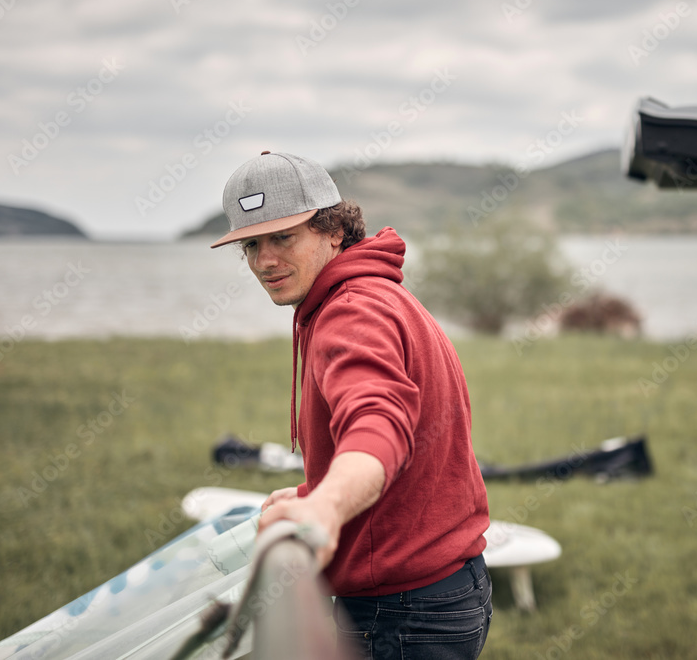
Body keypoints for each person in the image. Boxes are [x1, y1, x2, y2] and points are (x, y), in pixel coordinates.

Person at [210, 151, 492, 659]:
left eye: (283, 237)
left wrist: (325, 505)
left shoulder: (349, 311)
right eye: (251, 244)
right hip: (441, 584)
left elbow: (377, 423)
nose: (264, 261)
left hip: (405, 612)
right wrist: (312, 490)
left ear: (333, 229)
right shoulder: (374, 292)